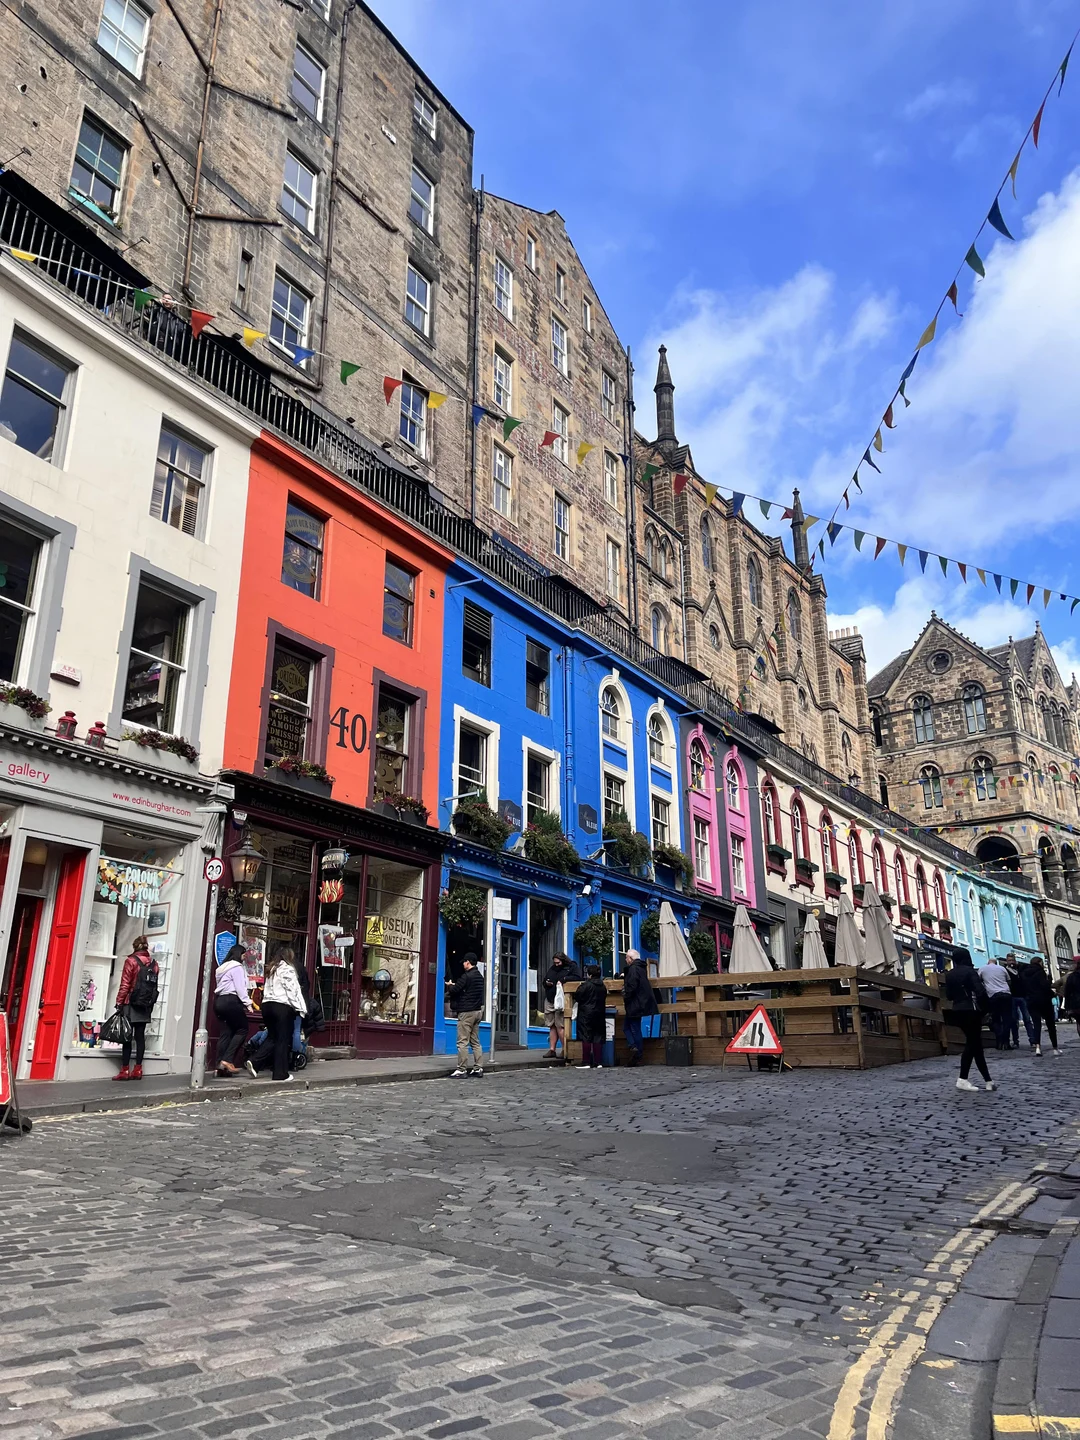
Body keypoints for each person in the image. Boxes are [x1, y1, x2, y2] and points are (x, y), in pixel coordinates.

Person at [246, 947, 306, 1082]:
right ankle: (280, 1073)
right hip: (282, 1006)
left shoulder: (271, 969)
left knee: (272, 1037)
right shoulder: (287, 969)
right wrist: (300, 1008)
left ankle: (254, 1062)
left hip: (267, 1006)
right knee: (282, 1040)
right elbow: (292, 991)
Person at [943, 949, 995, 1092]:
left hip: (957, 1010)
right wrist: (987, 1008)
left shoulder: (950, 974)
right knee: (973, 1044)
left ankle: (988, 1081)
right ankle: (962, 1078)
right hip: (971, 1010)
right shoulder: (970, 972)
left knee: (975, 1044)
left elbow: (949, 996)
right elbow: (980, 991)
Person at [112, 936, 159, 1082]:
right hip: (145, 1004)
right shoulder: (154, 963)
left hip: (130, 1003)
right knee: (140, 1037)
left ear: (135, 946)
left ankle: (125, 1070)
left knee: (127, 1037)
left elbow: (125, 984)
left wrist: (119, 1002)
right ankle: (138, 1069)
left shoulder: (131, 961)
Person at [214, 943, 254, 1076]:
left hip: (219, 1001)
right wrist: (248, 1003)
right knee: (243, 1029)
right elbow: (240, 987)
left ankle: (219, 1067)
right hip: (231, 1001)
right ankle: (227, 1060)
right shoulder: (237, 967)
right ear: (239, 954)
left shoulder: (221, 968)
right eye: (243, 954)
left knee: (225, 1033)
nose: (244, 957)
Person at [446, 953, 485, 1077]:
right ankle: (478, 1068)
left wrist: (450, 985)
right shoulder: (480, 976)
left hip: (466, 1012)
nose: (463, 964)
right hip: (477, 1011)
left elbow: (455, 990)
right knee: (475, 1042)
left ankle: (461, 1069)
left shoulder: (466, 976)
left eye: (464, 962)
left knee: (462, 1042)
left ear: (468, 962)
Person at [621, 949, 658, 1068]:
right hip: (641, 1002)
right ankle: (636, 1051)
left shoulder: (633, 969)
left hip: (635, 1003)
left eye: (626, 958)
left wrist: (626, 995)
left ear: (631, 959)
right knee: (632, 1027)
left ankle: (636, 1050)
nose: (625, 960)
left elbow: (632, 986)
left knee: (631, 1028)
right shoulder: (641, 968)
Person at [542, 952, 580, 1059]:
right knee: (552, 1025)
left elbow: (577, 977)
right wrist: (547, 983)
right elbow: (544, 980)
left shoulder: (571, 967)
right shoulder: (552, 968)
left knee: (560, 1025)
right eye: (555, 963)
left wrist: (564, 979)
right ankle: (552, 1049)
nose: (556, 965)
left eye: (558, 962)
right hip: (550, 999)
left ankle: (565, 1049)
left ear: (563, 960)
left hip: (562, 1000)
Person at [1022, 957, 1062, 1057]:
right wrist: (1052, 991)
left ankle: (1038, 1047)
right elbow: (1045, 986)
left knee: (1036, 1024)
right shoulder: (1040, 972)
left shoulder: (1024, 973)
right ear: (1040, 963)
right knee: (1050, 1024)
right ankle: (1055, 1048)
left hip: (1031, 1001)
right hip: (1043, 1001)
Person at [575, 964, 608, 1069]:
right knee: (598, 1036)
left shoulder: (586, 985)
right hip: (599, 1012)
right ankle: (598, 1061)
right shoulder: (603, 986)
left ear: (589, 974)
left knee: (586, 1036)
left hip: (586, 1013)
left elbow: (577, 996)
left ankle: (586, 1061)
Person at [1004, 954, 1036, 1050]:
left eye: (1012, 960)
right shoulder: (1005, 971)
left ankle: (1032, 1040)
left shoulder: (1020, 969)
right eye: (1009, 960)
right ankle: (1015, 1041)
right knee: (1014, 1020)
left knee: (1027, 1019)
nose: (1011, 962)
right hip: (1012, 997)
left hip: (1023, 996)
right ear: (1006, 961)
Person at [980, 956, 1013, 1050]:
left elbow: (978, 980)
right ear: (996, 962)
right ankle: (1006, 1042)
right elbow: (1009, 981)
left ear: (988, 962)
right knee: (1007, 1019)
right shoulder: (1002, 968)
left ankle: (999, 1041)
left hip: (993, 995)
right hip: (1006, 994)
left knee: (996, 1019)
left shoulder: (983, 969)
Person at [1062, 956, 1080, 1039]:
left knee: (1079, 1022)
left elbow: (1067, 992)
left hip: (1076, 1004)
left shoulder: (1071, 977)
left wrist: (1067, 1007)